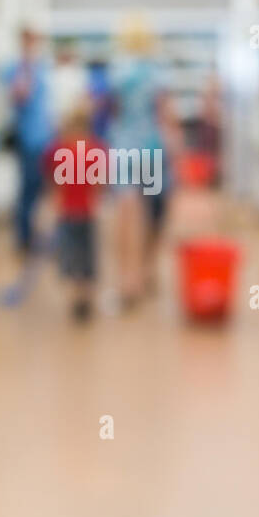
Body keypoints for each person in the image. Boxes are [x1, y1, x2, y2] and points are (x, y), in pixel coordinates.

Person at [108, 22, 164, 308]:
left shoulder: (119, 71)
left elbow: (113, 111)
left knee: (123, 213)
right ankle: (141, 276)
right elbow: (163, 112)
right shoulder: (155, 72)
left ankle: (125, 281)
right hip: (150, 147)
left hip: (123, 145)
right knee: (143, 213)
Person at [0, 26, 54, 306]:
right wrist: (25, 75)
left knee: (37, 190)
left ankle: (31, 234)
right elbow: (18, 96)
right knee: (26, 189)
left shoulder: (42, 68)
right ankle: (22, 237)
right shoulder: (15, 69)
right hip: (27, 139)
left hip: (43, 139)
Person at [44, 102, 106, 322]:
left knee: (70, 255)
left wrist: (54, 205)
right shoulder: (96, 148)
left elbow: (54, 183)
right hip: (88, 212)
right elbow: (100, 182)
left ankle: (74, 298)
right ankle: (85, 297)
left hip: (67, 213)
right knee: (88, 255)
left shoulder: (59, 149)